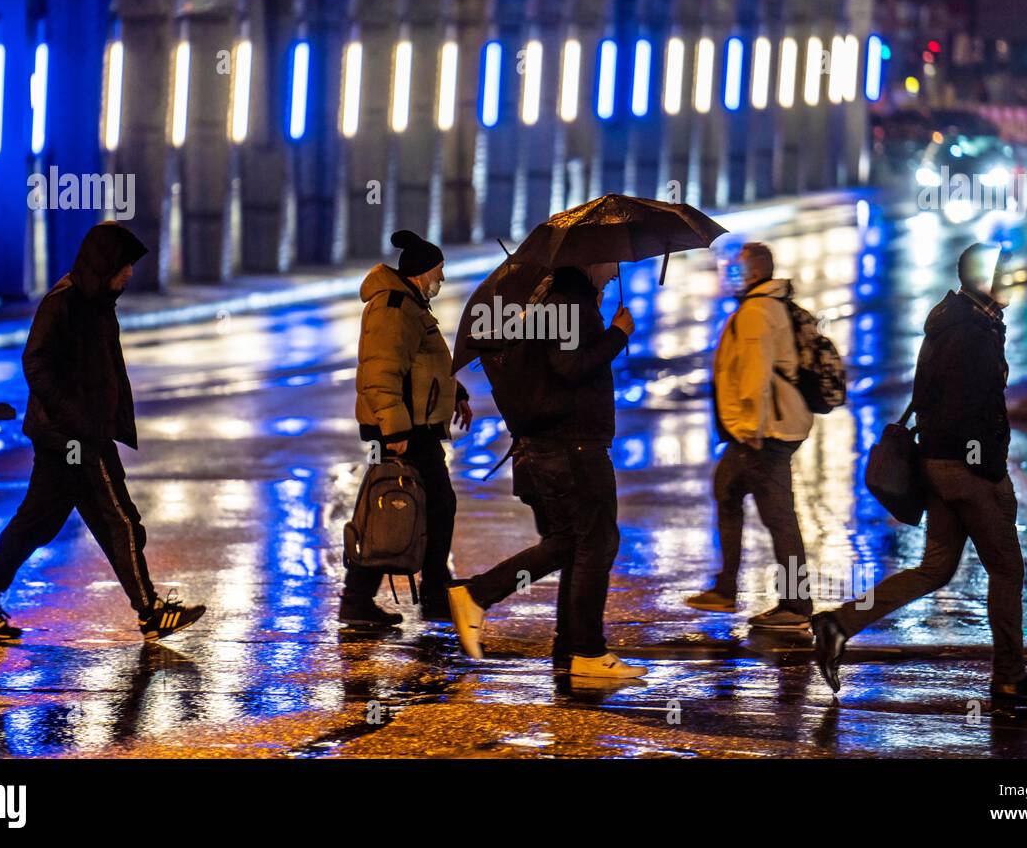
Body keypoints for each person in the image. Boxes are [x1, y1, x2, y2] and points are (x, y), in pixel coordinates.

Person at [812, 243, 1027, 707]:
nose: (1010, 281)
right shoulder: (971, 332)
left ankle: (840, 623)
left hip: (938, 465)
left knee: (935, 569)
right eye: (1002, 274)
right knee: (1008, 570)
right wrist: (989, 471)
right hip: (965, 471)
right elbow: (966, 411)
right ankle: (1010, 678)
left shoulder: (956, 321)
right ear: (982, 280)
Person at [0, 222, 205, 643]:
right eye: (124, 266)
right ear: (105, 263)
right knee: (119, 520)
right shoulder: (64, 303)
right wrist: (81, 424)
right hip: (73, 440)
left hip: (72, 436)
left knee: (37, 523)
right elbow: (36, 363)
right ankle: (149, 611)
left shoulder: (97, 302)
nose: (129, 274)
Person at [447, 262, 648, 680]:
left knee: (573, 543)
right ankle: (579, 648)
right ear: (589, 262)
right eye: (609, 265)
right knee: (595, 542)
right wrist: (617, 334)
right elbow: (569, 367)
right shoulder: (570, 304)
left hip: (553, 443)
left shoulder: (554, 303)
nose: (613, 273)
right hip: (571, 443)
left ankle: (573, 650)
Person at [343, 230, 472, 628]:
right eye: (439, 271)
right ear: (420, 273)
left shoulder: (409, 304)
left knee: (409, 509)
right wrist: (395, 432)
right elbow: (381, 374)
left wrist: (457, 393)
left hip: (412, 427)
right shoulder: (395, 307)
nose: (442, 279)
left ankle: (425, 592)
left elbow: (423, 365)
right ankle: (405, 595)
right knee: (394, 512)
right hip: (403, 431)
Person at [686, 242, 814, 629]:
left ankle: (794, 606)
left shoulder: (758, 312)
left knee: (778, 517)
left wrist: (749, 430)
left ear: (756, 273)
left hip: (763, 433)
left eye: (738, 269)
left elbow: (755, 376)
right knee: (727, 492)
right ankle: (727, 589)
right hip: (764, 430)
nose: (731, 276)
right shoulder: (761, 307)